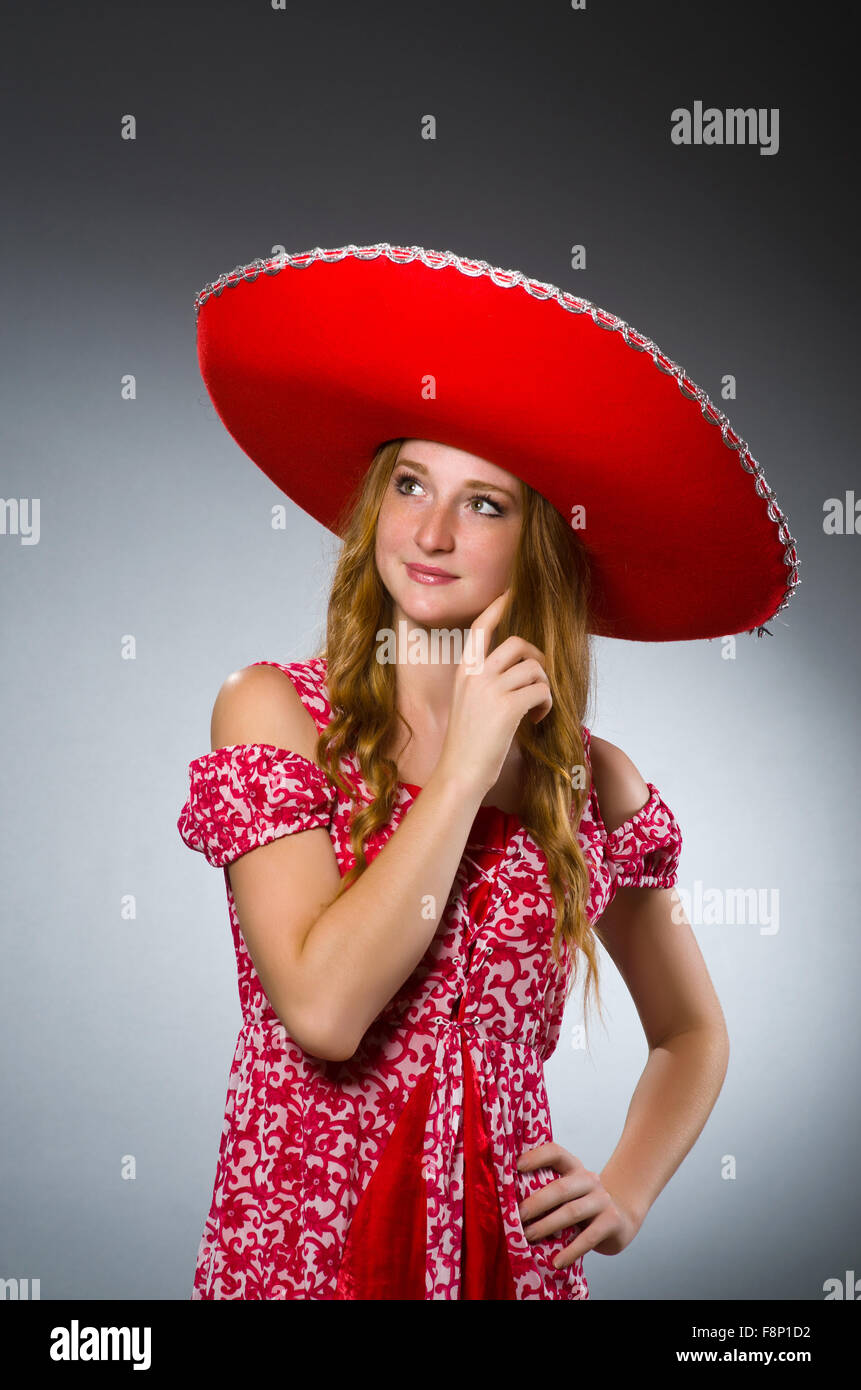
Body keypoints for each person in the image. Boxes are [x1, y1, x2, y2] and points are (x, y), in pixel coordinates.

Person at [177, 243, 799, 1299]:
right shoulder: (278, 712)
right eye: (412, 483)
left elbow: (691, 1034)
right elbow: (325, 1012)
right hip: (306, 1245)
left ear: (540, 542)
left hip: (503, 1257)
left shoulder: (595, 785)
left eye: (485, 504)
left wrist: (626, 1191)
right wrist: (464, 768)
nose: (428, 530)